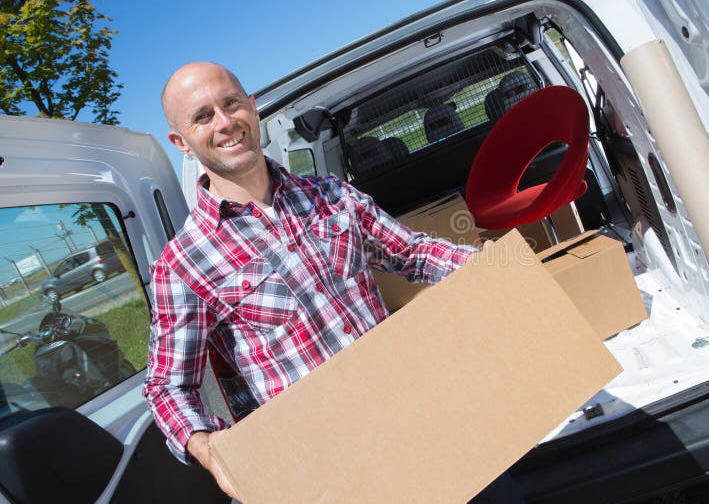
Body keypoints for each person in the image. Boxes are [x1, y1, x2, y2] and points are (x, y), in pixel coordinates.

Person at [143, 62, 478, 499]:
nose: (224, 122)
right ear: (181, 143)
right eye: (203, 117)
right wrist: (206, 446)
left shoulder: (331, 195)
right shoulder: (182, 264)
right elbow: (167, 385)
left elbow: (412, 253)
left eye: (231, 104)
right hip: (334, 466)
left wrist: (489, 265)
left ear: (252, 107)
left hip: (419, 408)